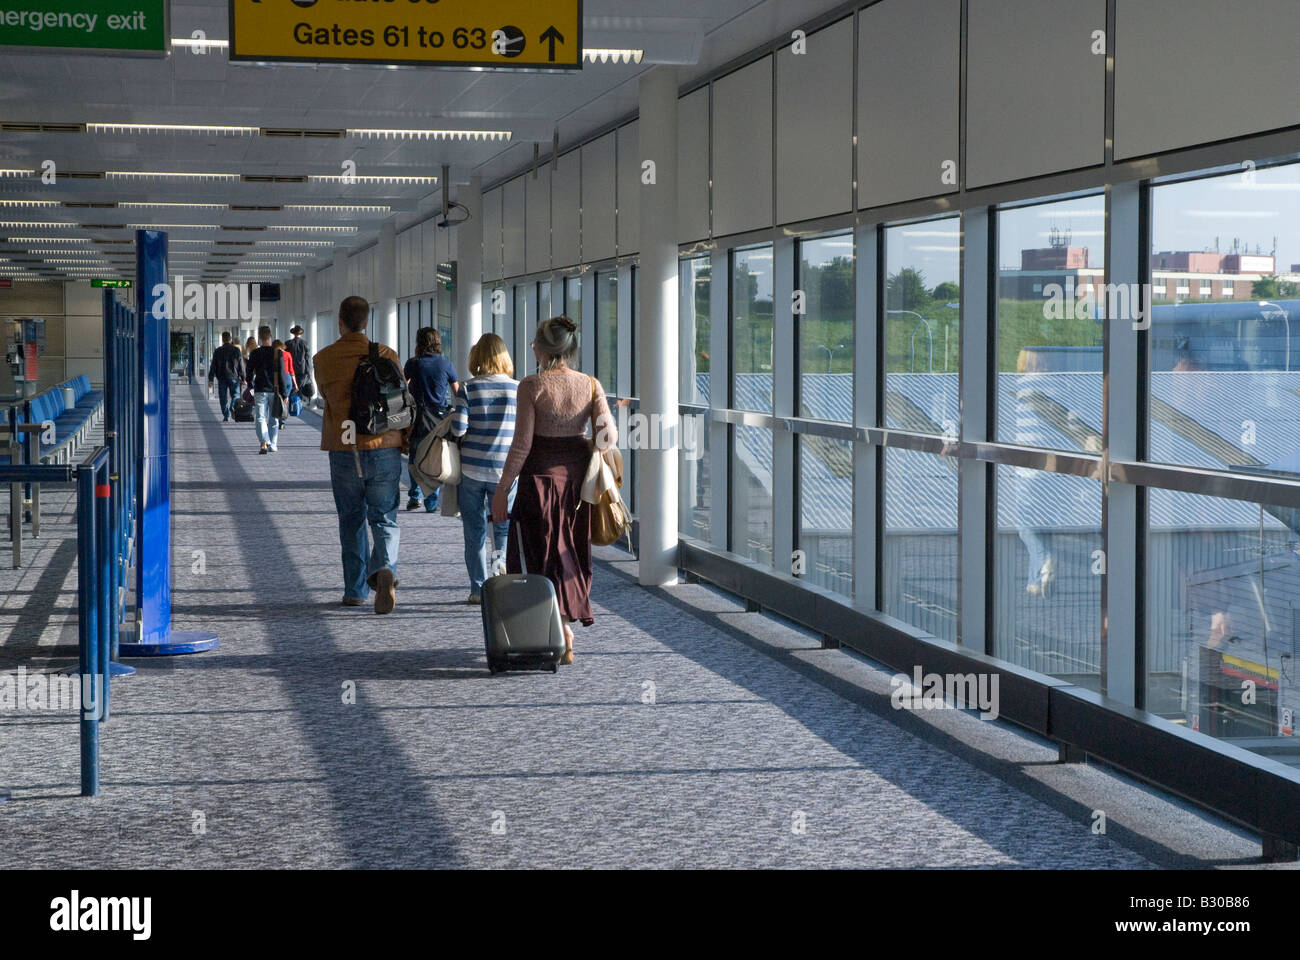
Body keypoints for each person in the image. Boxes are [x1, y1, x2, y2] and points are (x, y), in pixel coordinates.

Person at [493, 316, 617, 664]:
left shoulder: (531, 386)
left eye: (534, 342)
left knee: (539, 552)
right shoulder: (591, 385)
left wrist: (503, 489)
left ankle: (557, 626)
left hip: (538, 481)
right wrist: (588, 439)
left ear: (544, 349)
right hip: (578, 484)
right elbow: (609, 436)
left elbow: (521, 445)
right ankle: (563, 622)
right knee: (570, 551)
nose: (531, 346)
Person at [314, 295, 405, 614]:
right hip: (384, 446)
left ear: (339, 321)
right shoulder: (387, 354)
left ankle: (355, 590)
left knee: (351, 518)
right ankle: (385, 569)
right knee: (384, 517)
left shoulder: (323, 358)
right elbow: (400, 401)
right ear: (367, 322)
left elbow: (326, 396)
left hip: (345, 447)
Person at [450, 333, 519, 604]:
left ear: (477, 357)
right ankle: (501, 583)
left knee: (474, 529)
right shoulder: (517, 388)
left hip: (472, 470)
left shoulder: (468, 388)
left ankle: (478, 589)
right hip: (505, 472)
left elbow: (458, 429)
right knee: (502, 528)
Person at [403, 327, 459, 513]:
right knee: (434, 457)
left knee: (414, 456)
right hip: (439, 419)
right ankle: (431, 500)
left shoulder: (413, 363)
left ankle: (414, 496)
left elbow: (403, 387)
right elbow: (457, 392)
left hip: (417, 417)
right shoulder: (446, 364)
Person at [246, 326, 289, 455]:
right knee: (274, 417)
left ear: (259, 337)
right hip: (274, 390)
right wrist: (285, 393)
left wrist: (250, 385)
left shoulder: (254, 353)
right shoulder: (278, 353)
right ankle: (273, 444)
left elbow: (249, 371)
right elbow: (282, 374)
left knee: (260, 417)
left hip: (259, 389)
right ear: (270, 337)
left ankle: (264, 442)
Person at [207, 331, 245, 422]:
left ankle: (226, 415)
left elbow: (213, 365)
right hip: (234, 377)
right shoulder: (236, 350)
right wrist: (243, 378)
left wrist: (211, 379)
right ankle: (232, 407)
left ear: (223, 340)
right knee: (236, 395)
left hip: (222, 377)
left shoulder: (218, 351)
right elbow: (241, 365)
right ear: (230, 339)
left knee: (223, 397)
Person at [272, 338, 299, 429]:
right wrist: (295, 383)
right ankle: (282, 422)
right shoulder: (287, 354)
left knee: (276, 399)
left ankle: (275, 419)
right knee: (285, 400)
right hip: (287, 378)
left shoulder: (272, 355)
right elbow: (291, 370)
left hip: (275, 379)